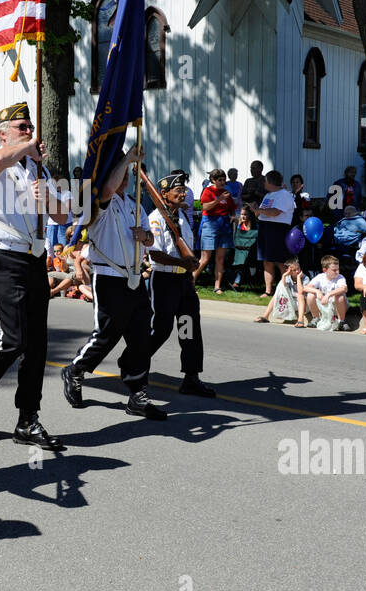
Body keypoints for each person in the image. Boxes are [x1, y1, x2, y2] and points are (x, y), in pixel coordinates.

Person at [0, 102, 70, 449]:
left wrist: (49, 199)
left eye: (29, 126)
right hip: (4, 257)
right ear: (2, 132)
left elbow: (65, 217)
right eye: (21, 126)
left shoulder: (40, 170)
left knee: (37, 345)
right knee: (14, 339)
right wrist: (26, 148)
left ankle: (28, 419)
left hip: (35, 258)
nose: (28, 131)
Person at [62, 147, 165, 420]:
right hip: (108, 276)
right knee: (107, 334)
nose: (125, 178)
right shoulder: (99, 200)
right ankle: (75, 369)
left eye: (126, 173)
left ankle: (137, 394)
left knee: (141, 336)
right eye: (120, 171)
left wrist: (145, 237)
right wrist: (127, 158)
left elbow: (151, 241)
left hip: (133, 277)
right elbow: (107, 190)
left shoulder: (135, 203)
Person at [145, 171, 215, 396]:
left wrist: (188, 270)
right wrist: (182, 262)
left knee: (189, 328)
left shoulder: (181, 217)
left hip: (183, 281)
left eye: (184, 189)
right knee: (161, 329)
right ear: (163, 194)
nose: (184, 193)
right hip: (164, 281)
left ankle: (191, 376)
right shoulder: (155, 219)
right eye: (178, 190)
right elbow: (154, 255)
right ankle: (135, 363)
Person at [253, 169, 296, 299]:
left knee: (280, 261)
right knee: (267, 261)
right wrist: (256, 210)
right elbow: (259, 213)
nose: (264, 183)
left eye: (265, 180)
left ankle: (286, 289)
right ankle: (268, 290)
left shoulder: (284, 195)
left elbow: (276, 212)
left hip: (278, 229)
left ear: (271, 182)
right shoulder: (268, 195)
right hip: (265, 227)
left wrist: (259, 210)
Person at [193, 167, 236, 293]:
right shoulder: (208, 191)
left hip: (224, 224)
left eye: (224, 180)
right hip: (210, 223)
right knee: (205, 258)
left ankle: (217, 286)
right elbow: (205, 207)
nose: (222, 182)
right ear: (213, 180)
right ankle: (191, 280)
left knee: (220, 258)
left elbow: (232, 207)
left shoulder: (226, 192)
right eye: (220, 180)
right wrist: (218, 199)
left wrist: (233, 215)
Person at [303, 254, 349, 330]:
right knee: (310, 295)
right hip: (324, 306)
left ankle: (341, 321)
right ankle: (316, 318)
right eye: (334, 270)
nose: (337, 272)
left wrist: (328, 295)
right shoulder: (320, 277)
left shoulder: (340, 277)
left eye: (338, 269)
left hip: (337, 306)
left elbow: (344, 288)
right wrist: (317, 291)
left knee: (340, 296)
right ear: (325, 270)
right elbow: (306, 288)